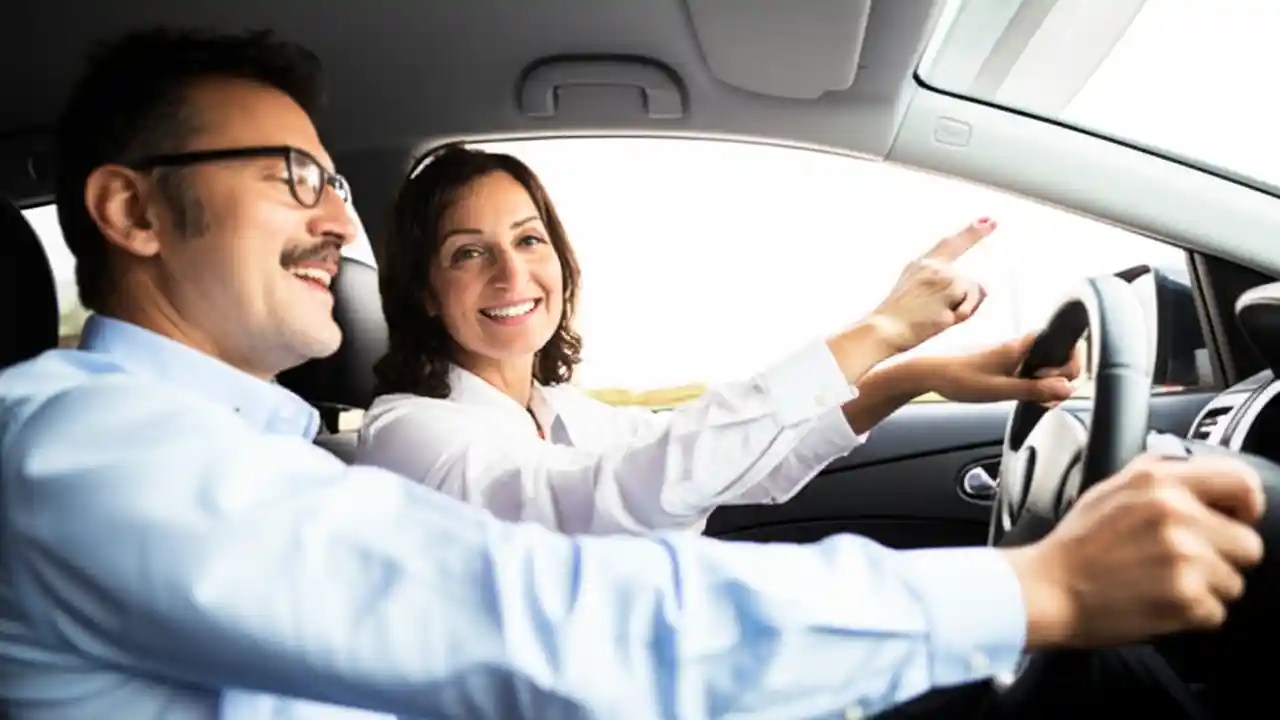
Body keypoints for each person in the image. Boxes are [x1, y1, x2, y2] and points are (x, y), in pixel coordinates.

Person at [0, 26, 1265, 720]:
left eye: (333, 183)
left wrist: (912, 381)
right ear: (132, 211)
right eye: (293, 176)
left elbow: (675, 472)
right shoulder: (91, 447)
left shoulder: (282, 442)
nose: (331, 220)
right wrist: (1024, 590)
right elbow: (570, 571)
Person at [357, 144, 1078, 534]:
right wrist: (878, 332)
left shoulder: (560, 412)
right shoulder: (409, 435)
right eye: (468, 253)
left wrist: (915, 377)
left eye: (529, 239)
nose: (513, 273)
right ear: (423, 290)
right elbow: (609, 500)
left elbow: (743, 466)